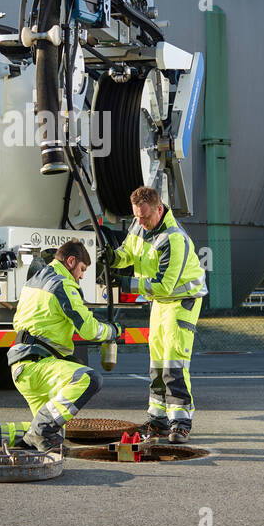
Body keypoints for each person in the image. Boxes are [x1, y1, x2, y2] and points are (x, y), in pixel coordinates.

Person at [0, 239, 116, 454]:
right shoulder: (62, 284)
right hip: (38, 365)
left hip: (23, 367)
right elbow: (87, 330)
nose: (82, 276)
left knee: (50, 429)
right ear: (71, 261)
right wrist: (113, 331)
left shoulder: (35, 281)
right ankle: (41, 430)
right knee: (88, 379)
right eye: (82, 269)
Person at [101, 185, 206, 443]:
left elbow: (164, 284)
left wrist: (127, 284)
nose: (141, 223)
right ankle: (158, 420)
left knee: (174, 360)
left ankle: (181, 423)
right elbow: (128, 253)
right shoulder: (139, 225)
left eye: (146, 217)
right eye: (137, 217)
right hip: (160, 302)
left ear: (159, 209)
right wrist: (113, 258)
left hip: (181, 301)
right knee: (157, 360)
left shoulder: (174, 239)